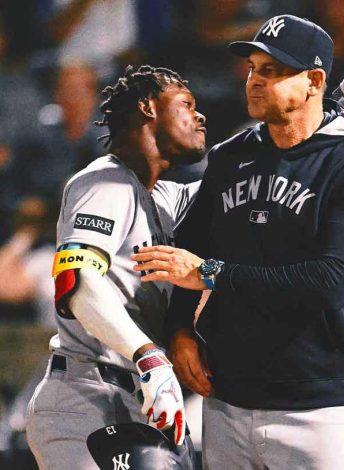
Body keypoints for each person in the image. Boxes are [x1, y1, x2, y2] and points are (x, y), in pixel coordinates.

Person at [130, 14, 344, 469]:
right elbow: (186, 251)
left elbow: (330, 282)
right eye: (253, 68)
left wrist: (209, 275)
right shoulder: (230, 156)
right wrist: (180, 328)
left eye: (274, 71)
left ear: (315, 80)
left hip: (322, 407)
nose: (255, 81)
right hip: (228, 400)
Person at [26, 65, 205, 469]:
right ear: (148, 109)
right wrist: (148, 355)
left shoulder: (165, 197)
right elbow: (77, 280)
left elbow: (246, 171)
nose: (200, 116)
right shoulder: (105, 181)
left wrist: (333, 109)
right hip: (88, 393)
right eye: (187, 105)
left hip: (143, 396)